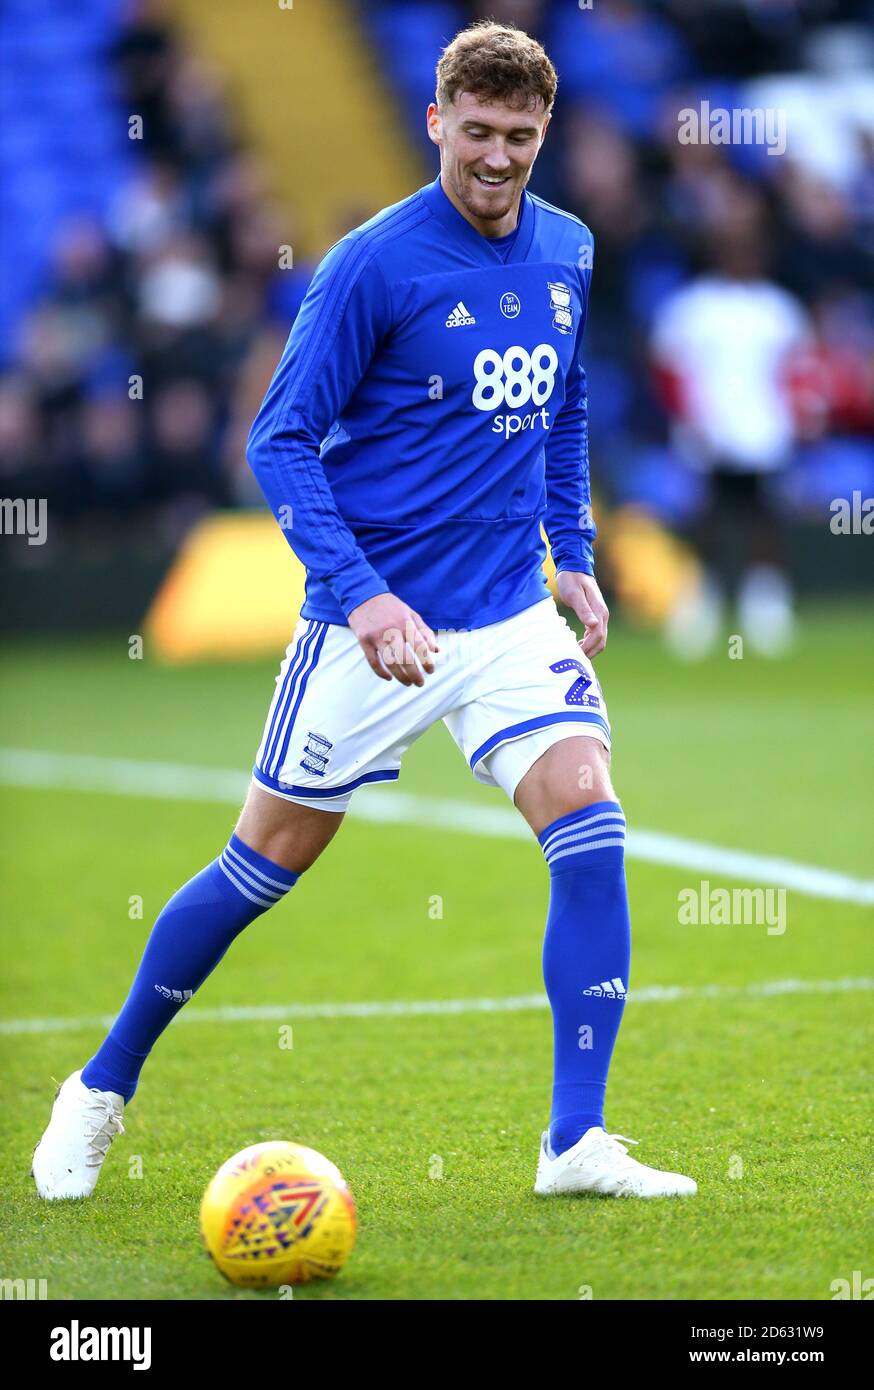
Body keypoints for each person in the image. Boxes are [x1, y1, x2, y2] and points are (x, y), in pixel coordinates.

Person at [33, 21, 696, 1202]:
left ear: (545, 134)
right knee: (262, 865)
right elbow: (277, 442)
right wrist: (365, 595)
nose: (498, 157)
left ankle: (574, 1141)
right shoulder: (370, 265)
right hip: (368, 624)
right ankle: (98, 1088)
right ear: (436, 120)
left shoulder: (570, 246)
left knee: (592, 831)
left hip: (505, 616)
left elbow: (560, 405)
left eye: (522, 137)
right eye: (478, 131)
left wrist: (575, 551)